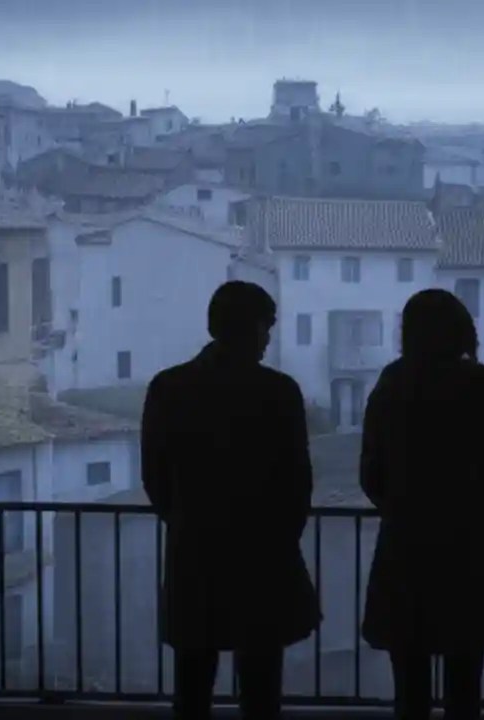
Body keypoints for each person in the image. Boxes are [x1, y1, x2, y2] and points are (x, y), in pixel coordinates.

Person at [142, 281, 320, 720]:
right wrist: (278, 536)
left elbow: (156, 479)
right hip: (263, 558)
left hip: (194, 555)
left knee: (192, 686)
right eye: (265, 329)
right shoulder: (278, 393)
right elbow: (297, 482)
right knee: (261, 691)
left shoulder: (169, 388)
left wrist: (185, 519)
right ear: (254, 328)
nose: (267, 340)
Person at [359, 289, 484, 720]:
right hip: (469, 555)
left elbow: (371, 476)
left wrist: (403, 509)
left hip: (405, 553)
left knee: (410, 685)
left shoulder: (391, 388)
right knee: (464, 684)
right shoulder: (483, 392)